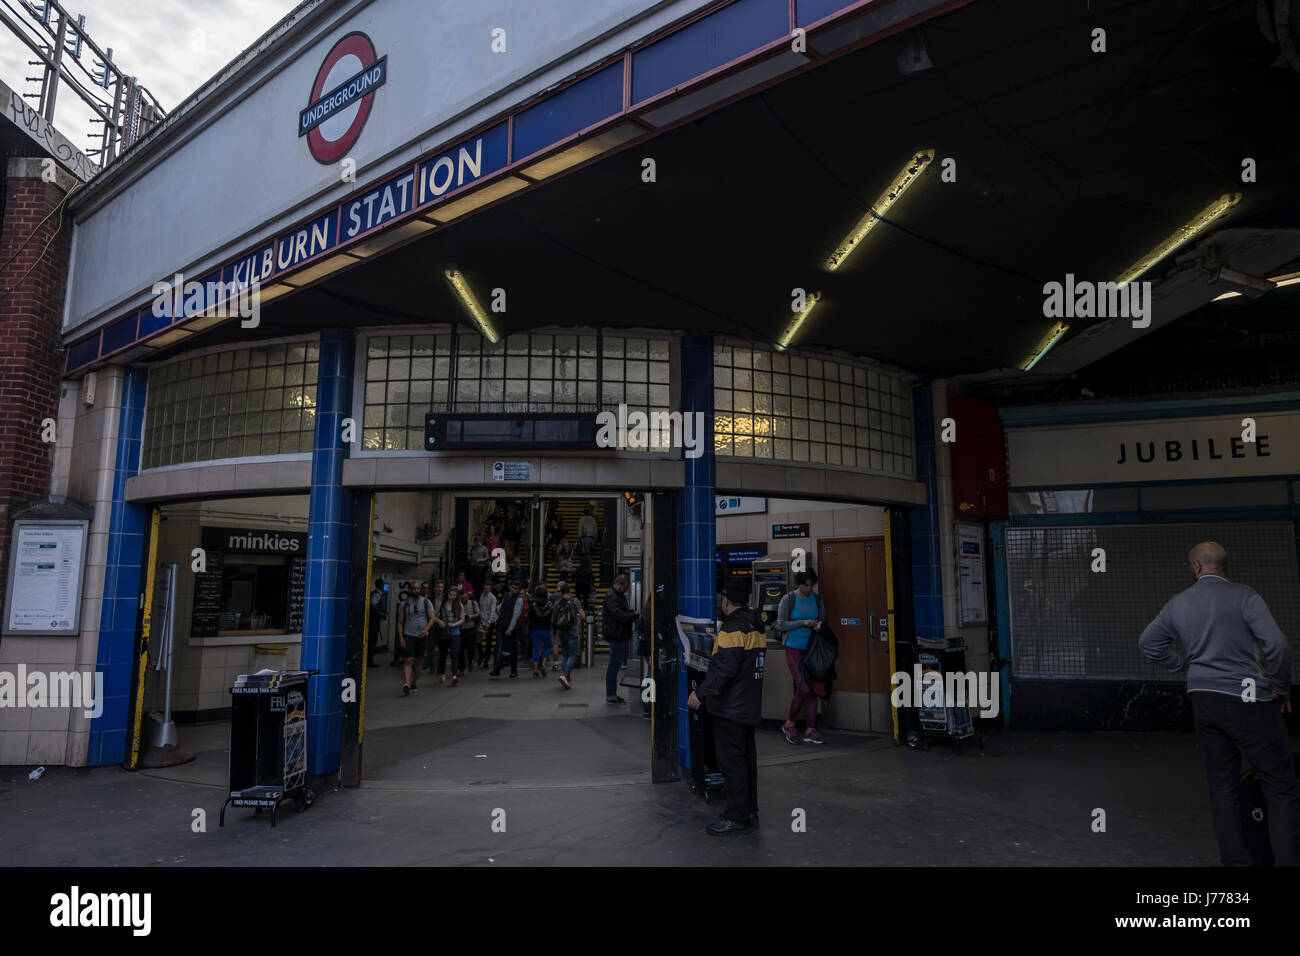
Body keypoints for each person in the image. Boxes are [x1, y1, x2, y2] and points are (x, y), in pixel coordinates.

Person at [1139, 541, 1300, 866]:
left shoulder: (1178, 604)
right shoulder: (1245, 596)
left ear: (1196, 567)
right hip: (1248, 698)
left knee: (1222, 787)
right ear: (1223, 566)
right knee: (1280, 786)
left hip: (1204, 701)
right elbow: (1277, 645)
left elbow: (1148, 643)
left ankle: (1236, 863)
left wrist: (1183, 666)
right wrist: (1280, 686)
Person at [688, 577, 765, 835]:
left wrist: (700, 694)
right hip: (748, 705)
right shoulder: (755, 624)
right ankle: (748, 809)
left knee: (732, 764)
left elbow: (725, 668)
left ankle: (736, 816)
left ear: (726, 600)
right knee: (746, 760)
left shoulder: (732, 628)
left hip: (730, 707)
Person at [775, 570, 826, 745]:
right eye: (806, 585)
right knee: (803, 687)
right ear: (799, 583)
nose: (809, 588)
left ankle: (810, 729)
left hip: (812, 649)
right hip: (793, 648)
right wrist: (802, 623)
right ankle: (789, 723)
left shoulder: (817, 599)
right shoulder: (788, 599)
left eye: (812, 585)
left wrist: (818, 626)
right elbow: (780, 625)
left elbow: (822, 621)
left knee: (812, 689)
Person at [602, 574, 637, 704]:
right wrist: (634, 614)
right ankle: (611, 695)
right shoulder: (612, 596)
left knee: (615, 665)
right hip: (616, 634)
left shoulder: (617, 595)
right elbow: (619, 615)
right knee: (614, 665)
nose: (626, 590)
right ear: (618, 584)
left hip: (619, 633)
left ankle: (611, 694)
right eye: (625, 587)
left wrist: (632, 613)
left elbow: (622, 612)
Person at [397, 583, 434, 696]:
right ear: (409, 590)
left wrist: (425, 630)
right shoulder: (404, 604)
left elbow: (432, 618)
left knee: (418, 662)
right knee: (408, 660)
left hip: (422, 636)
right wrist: (401, 638)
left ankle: (413, 683)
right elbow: (400, 622)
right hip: (409, 635)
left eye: (417, 589)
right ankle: (406, 684)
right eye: (413, 589)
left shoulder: (426, 602)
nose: (416, 590)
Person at [492, 579, 528, 678]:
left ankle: (513, 670)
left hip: (511, 627)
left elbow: (516, 615)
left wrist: (510, 628)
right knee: (498, 647)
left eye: (516, 589)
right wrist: (497, 608)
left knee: (512, 649)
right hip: (502, 624)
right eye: (512, 587)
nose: (513, 590)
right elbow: (501, 605)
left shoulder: (519, 599)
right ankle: (497, 668)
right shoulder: (506, 595)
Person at [551, 581, 583, 690]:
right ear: (570, 590)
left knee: (564, 654)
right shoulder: (574, 601)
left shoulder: (557, 602)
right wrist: (577, 615)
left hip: (561, 630)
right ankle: (565, 675)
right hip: (572, 630)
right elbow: (583, 615)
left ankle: (567, 677)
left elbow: (554, 618)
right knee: (573, 654)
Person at [435, 586, 466, 686]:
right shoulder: (441, 604)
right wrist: (439, 621)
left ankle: (454, 676)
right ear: (447, 595)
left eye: (454, 595)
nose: (452, 597)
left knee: (454, 654)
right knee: (442, 655)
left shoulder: (459, 605)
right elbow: (433, 615)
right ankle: (443, 674)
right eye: (450, 595)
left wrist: (454, 624)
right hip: (443, 633)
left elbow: (462, 619)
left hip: (455, 633)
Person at [527, 584, 553, 678]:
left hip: (535, 629)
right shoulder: (549, 604)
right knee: (547, 647)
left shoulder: (532, 603)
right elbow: (551, 616)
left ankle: (535, 670)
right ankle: (544, 663)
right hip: (546, 628)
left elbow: (529, 617)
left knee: (536, 649)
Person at [423, 580, 446, 674]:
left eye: (441, 587)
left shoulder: (446, 598)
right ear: (434, 588)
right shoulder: (429, 599)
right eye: (438, 587)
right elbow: (429, 614)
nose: (439, 589)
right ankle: (432, 666)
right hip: (432, 625)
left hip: (444, 625)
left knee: (442, 648)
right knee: (431, 647)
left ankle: (440, 668)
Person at [461, 589, 481, 672]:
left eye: (465, 597)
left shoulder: (473, 603)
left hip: (470, 629)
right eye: (462, 598)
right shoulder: (458, 604)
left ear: (468, 596)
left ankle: (470, 662)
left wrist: (471, 616)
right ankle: (461, 666)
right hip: (460, 629)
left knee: (471, 648)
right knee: (460, 649)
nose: (464, 599)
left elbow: (479, 613)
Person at [479, 584, 499, 667]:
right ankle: (481, 656)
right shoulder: (481, 596)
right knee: (479, 640)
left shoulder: (492, 598)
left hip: (490, 622)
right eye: (485, 588)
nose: (486, 590)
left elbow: (492, 611)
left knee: (488, 641)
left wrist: (488, 623)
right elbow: (481, 609)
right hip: (482, 621)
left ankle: (486, 661)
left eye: (488, 588)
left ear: (490, 589)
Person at [368, 578, 387, 668]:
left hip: (374, 620)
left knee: (372, 640)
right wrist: (381, 613)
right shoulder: (377, 594)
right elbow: (373, 605)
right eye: (383, 584)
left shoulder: (376, 593)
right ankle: (369, 660)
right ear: (380, 585)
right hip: (373, 621)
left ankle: (369, 659)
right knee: (372, 640)